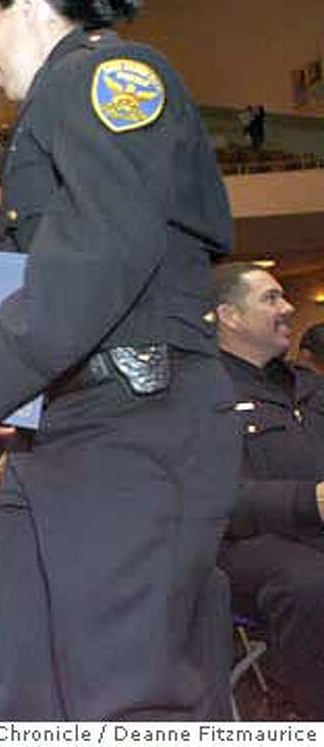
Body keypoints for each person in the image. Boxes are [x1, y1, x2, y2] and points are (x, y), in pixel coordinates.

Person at [0, 0, 239, 720]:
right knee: (32, 696)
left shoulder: (101, 75)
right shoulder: (59, 103)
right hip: (69, 430)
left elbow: (104, 247)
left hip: (134, 426)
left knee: (119, 697)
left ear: (26, 7)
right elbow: (74, 252)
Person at [212, 263, 324, 719]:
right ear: (229, 316)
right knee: (309, 580)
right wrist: (309, 501)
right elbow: (217, 497)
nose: (288, 307)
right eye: (271, 299)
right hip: (241, 546)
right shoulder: (203, 395)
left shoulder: (310, 388)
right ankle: (300, 713)